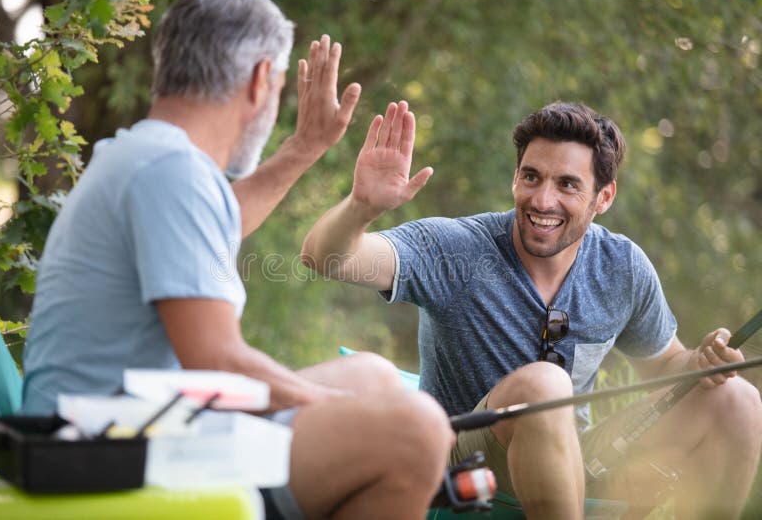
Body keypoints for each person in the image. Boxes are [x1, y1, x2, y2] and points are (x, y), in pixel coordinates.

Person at [21, 0, 454, 518]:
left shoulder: (146, 156)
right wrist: (344, 413)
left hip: (124, 425)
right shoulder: (171, 173)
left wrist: (303, 147)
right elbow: (216, 359)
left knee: (376, 376)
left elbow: (215, 224)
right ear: (258, 80)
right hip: (109, 452)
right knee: (416, 430)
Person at [301, 100, 762, 518]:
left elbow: (665, 366)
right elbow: (327, 257)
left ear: (604, 197)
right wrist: (361, 207)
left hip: (573, 456)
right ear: (515, 177)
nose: (543, 200)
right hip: (460, 456)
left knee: (738, 400)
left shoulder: (623, 267)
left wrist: (703, 363)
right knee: (544, 385)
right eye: (531, 177)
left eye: (567, 185)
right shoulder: (459, 250)